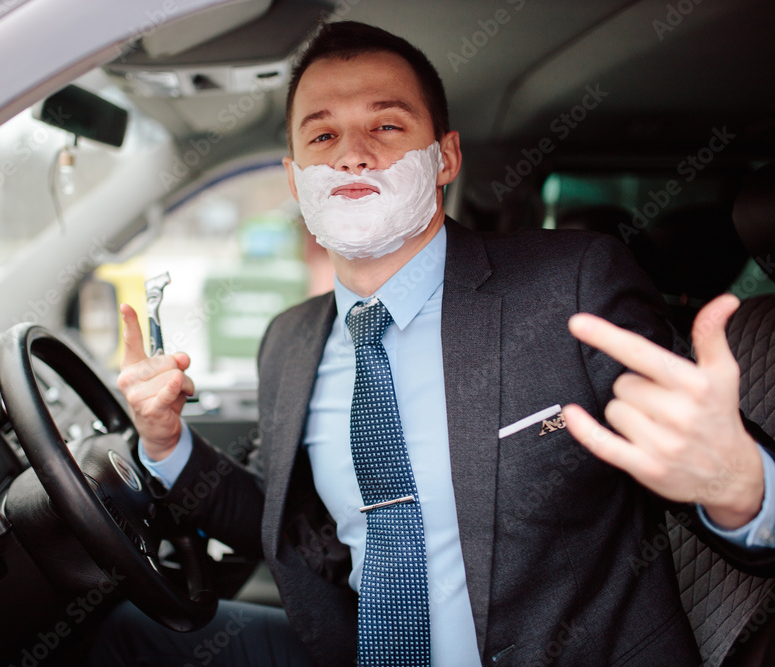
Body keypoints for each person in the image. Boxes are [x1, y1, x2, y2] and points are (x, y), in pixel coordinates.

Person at [91, 21, 775, 667]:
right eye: (322, 136)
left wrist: (744, 489)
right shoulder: (288, 341)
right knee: (113, 632)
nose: (354, 151)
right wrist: (164, 442)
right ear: (295, 178)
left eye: (386, 125)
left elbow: (696, 456)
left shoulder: (571, 286)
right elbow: (289, 530)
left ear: (444, 157)